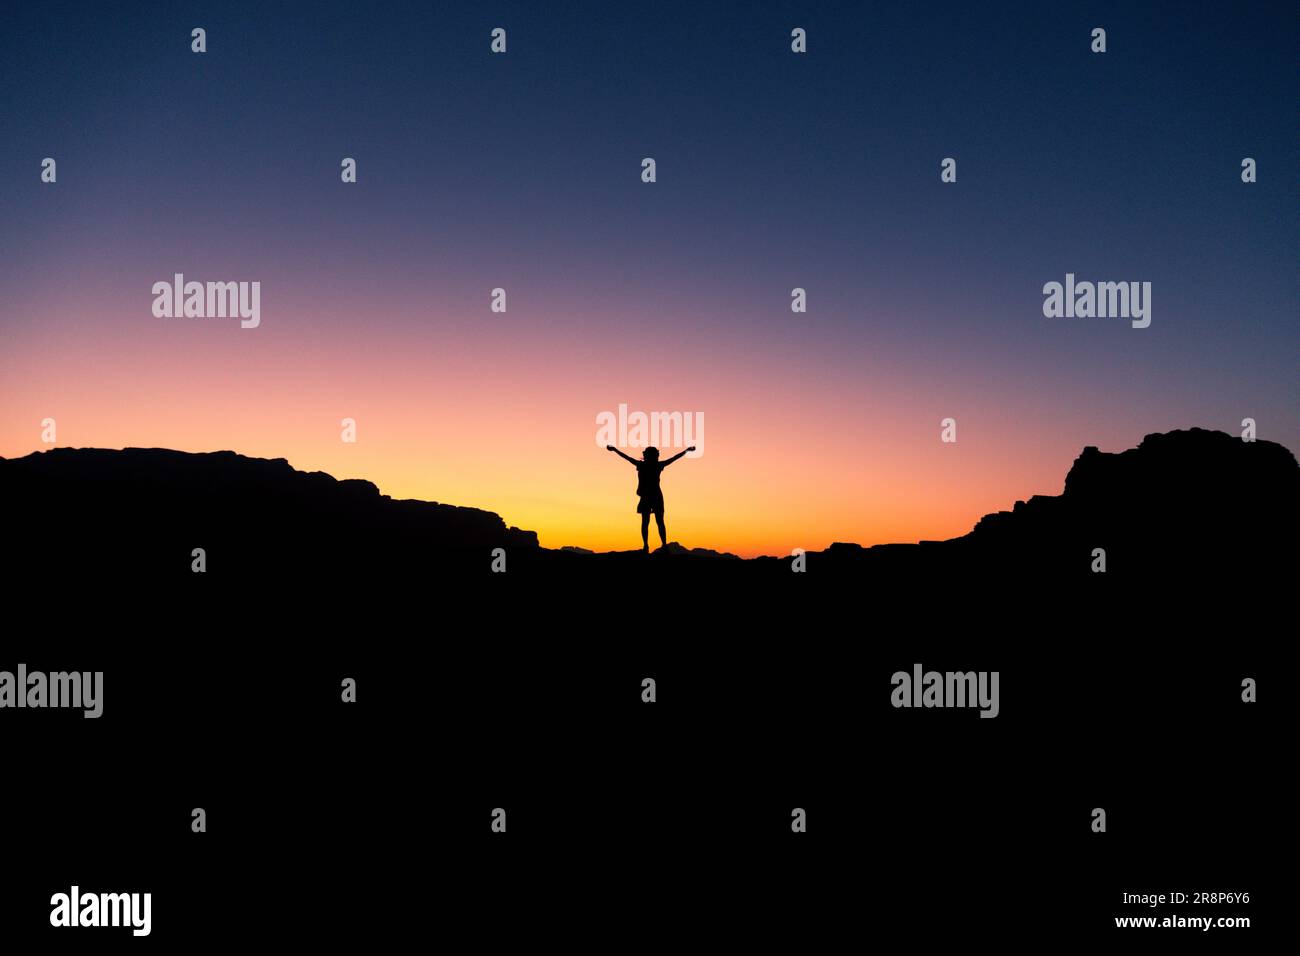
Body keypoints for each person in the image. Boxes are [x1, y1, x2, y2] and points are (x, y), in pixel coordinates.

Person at [606, 444, 695, 552]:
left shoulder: (646, 465)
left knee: (650, 521)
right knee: (655, 521)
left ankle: (652, 545)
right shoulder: (656, 465)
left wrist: (615, 449)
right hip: (653, 495)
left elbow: (626, 457)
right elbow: (674, 458)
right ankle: (657, 545)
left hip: (650, 496)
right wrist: (686, 450)